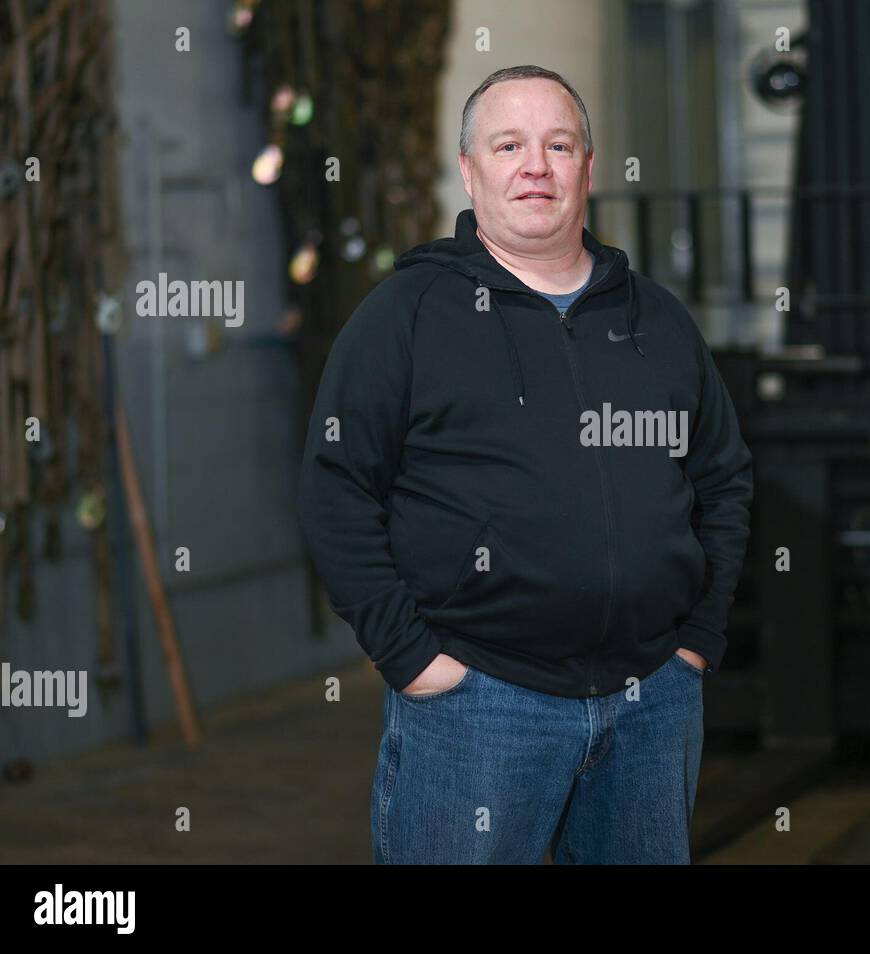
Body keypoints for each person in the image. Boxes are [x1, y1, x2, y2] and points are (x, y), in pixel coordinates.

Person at [296, 64, 753, 864]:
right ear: (470, 171)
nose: (536, 165)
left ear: (587, 167)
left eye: (558, 144)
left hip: (653, 698)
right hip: (479, 704)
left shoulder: (656, 318)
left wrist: (698, 637)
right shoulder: (403, 317)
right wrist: (410, 657)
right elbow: (335, 487)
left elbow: (723, 475)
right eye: (509, 145)